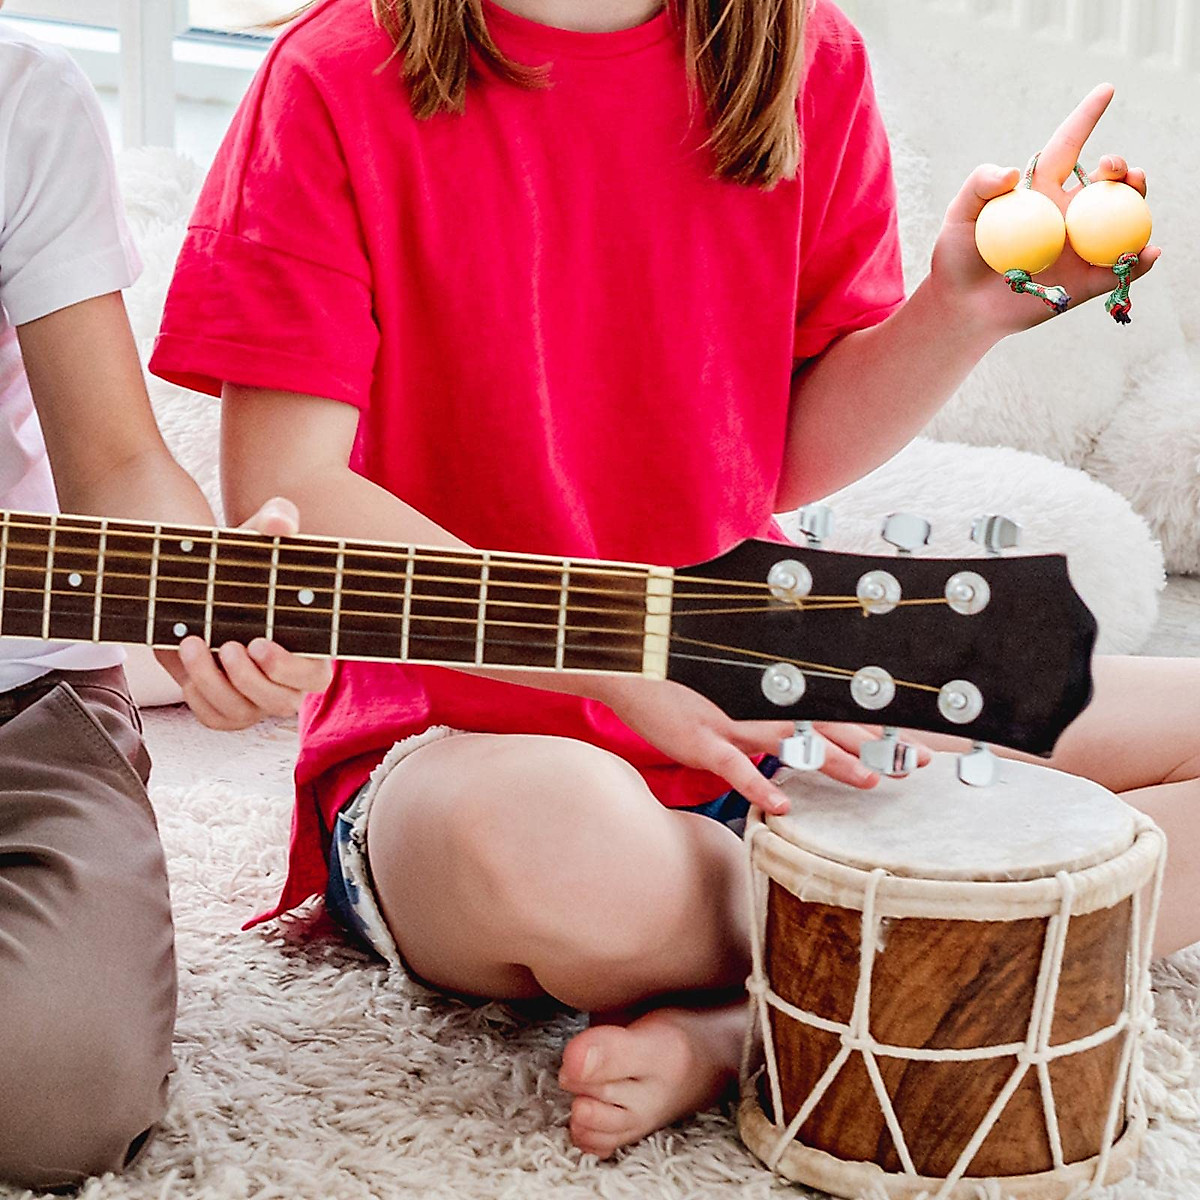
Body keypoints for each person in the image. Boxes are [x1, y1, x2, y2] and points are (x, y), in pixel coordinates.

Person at [150, 0, 1194, 1162]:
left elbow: (781, 449)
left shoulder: (804, 53)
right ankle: (895, 924)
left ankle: (758, 1023)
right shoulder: (335, 73)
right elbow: (289, 487)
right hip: (461, 743)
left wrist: (954, 316)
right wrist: (623, 650)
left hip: (758, 677)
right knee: (569, 854)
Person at [0, 13, 331, 1189]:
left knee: (50, 1088)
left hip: (17, 716)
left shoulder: (17, 97)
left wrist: (217, 601)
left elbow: (117, 466)